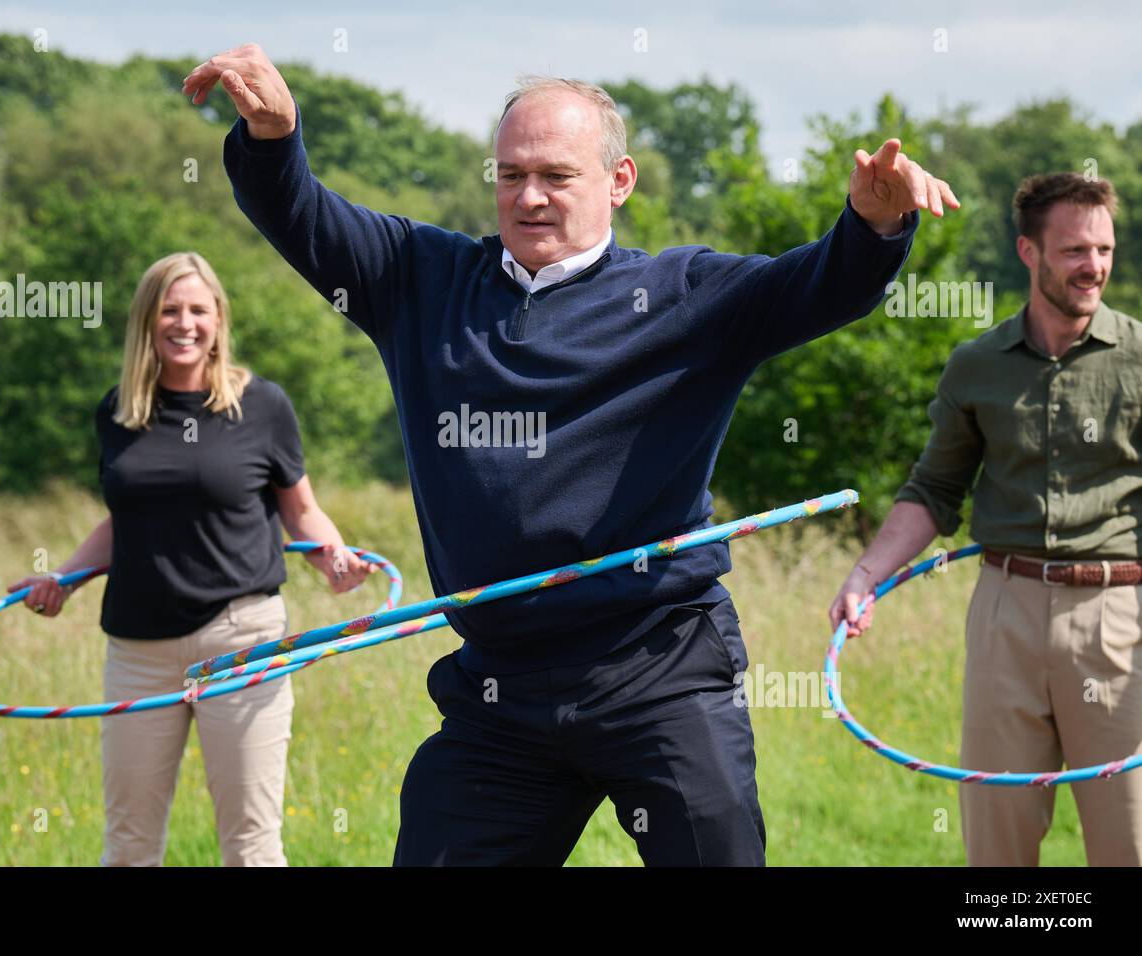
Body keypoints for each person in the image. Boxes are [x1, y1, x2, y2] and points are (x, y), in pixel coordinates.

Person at [184, 43, 957, 865]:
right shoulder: (421, 279)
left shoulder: (685, 295)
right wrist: (274, 136)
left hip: (658, 663)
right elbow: (304, 215)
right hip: (500, 680)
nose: (530, 196)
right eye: (511, 175)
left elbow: (820, 284)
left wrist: (875, 225)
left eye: (556, 175)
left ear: (618, 182)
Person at [8, 251, 375, 866]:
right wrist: (63, 579)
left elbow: (301, 512)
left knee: (252, 844)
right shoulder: (121, 412)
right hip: (137, 650)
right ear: (147, 322)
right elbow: (125, 521)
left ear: (218, 321)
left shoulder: (261, 406)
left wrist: (335, 561)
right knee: (128, 845)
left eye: (197, 310)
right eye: (169, 310)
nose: (184, 323)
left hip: (242, 640)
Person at [830, 173, 1142, 866]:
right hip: (1006, 611)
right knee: (998, 847)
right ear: (1029, 252)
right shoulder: (976, 367)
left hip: (1120, 612)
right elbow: (934, 490)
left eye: (1104, 250)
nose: (1093, 267)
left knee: (1131, 839)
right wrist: (865, 575)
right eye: (1074, 251)